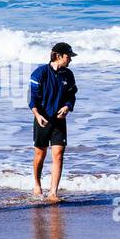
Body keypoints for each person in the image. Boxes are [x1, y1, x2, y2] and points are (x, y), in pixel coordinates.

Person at [29, 42, 78, 201]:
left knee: (58, 154)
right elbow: (32, 99)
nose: (70, 59)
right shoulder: (39, 74)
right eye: (68, 56)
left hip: (59, 120)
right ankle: (37, 185)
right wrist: (37, 115)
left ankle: (53, 192)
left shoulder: (68, 75)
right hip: (42, 119)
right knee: (40, 154)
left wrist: (68, 107)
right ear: (58, 56)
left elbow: (71, 95)